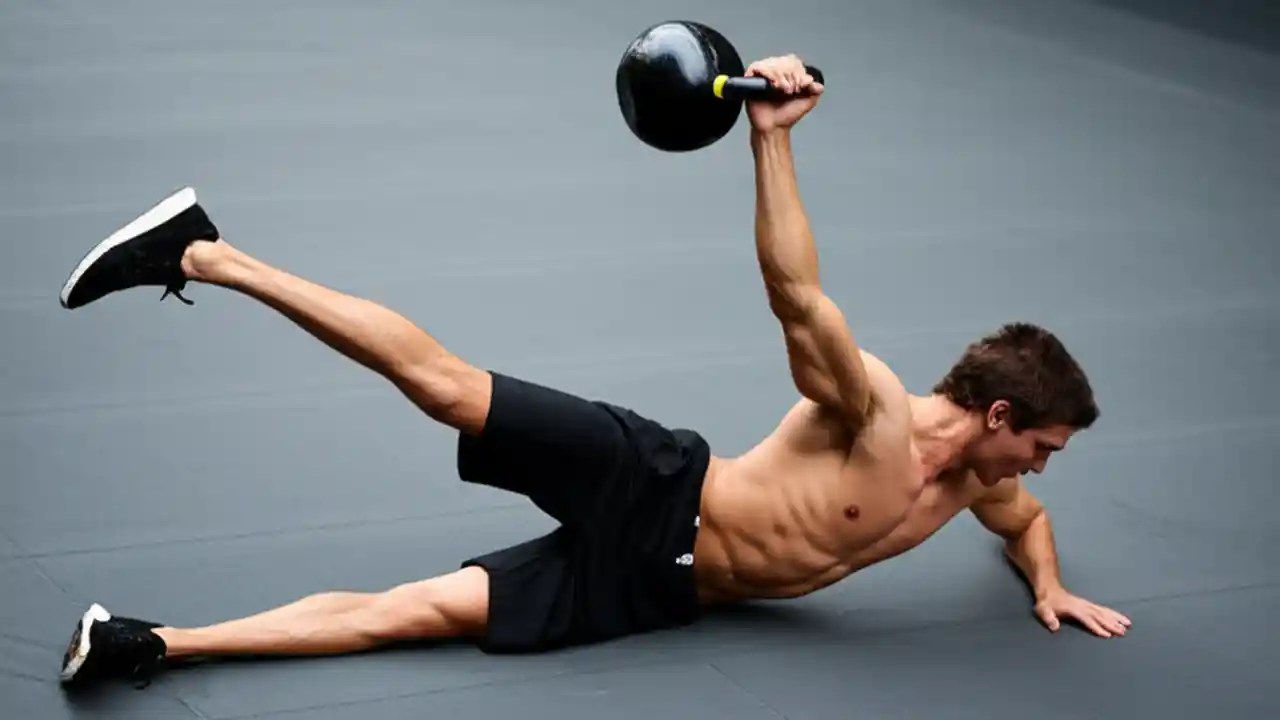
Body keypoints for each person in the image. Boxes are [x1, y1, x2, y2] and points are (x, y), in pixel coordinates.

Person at [55, 55, 1130, 688]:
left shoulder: (981, 486)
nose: (1037, 470)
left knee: (419, 611)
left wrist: (1049, 586)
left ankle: (145, 646)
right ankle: (205, 251)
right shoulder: (879, 414)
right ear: (997, 412)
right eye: (1039, 446)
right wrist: (771, 141)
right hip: (654, 483)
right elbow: (798, 298)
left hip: (654, 590)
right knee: (443, 387)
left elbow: (1023, 527)